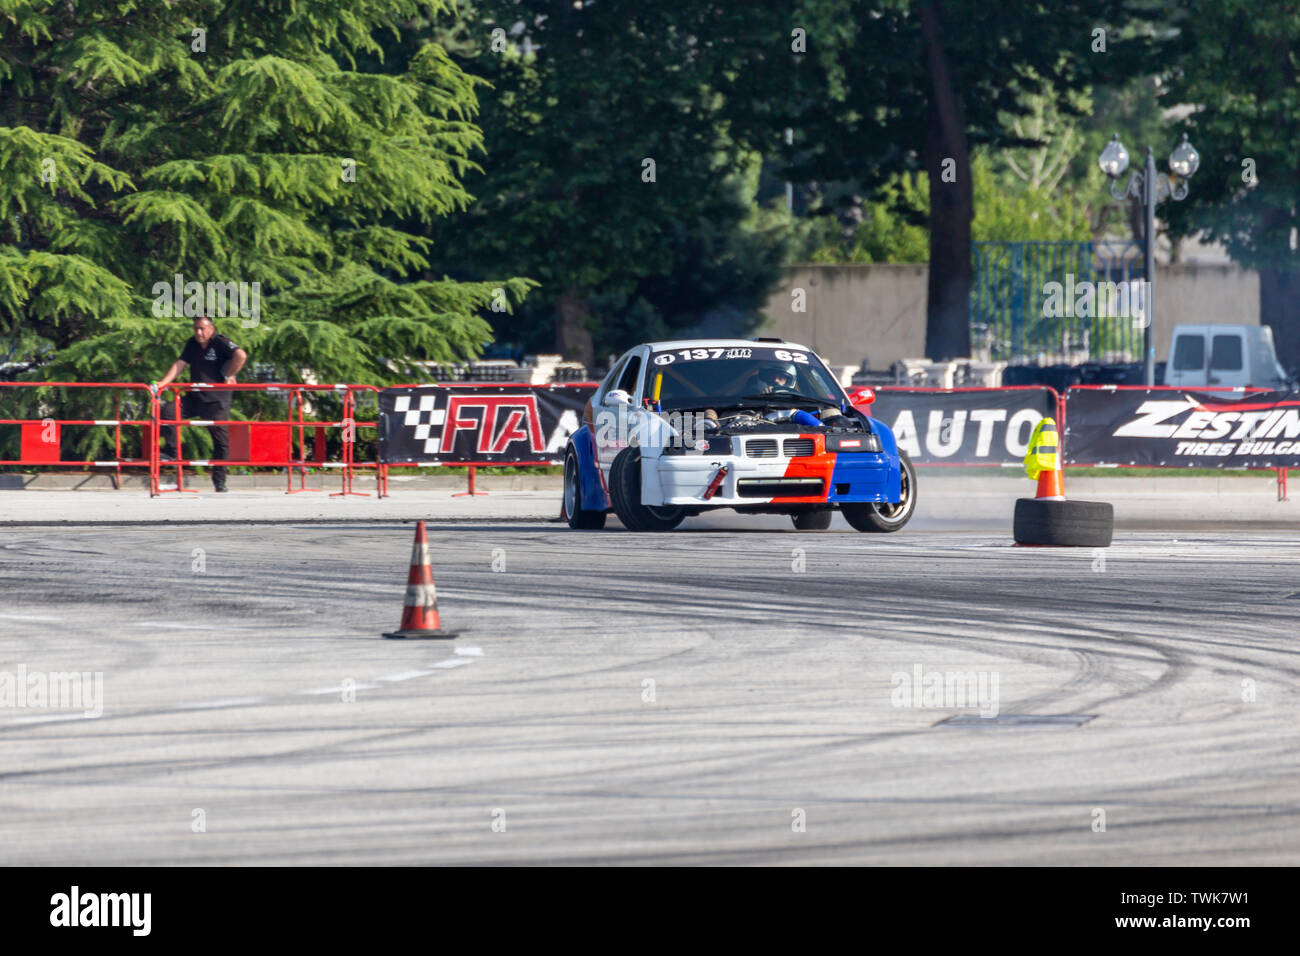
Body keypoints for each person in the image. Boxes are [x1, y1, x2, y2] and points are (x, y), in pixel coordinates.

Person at [154, 317, 247, 492]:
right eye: (196, 328)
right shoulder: (192, 343)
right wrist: (163, 383)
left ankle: (219, 480)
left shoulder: (220, 342)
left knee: (220, 441)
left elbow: (241, 355)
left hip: (216, 401)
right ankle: (172, 453)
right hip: (195, 397)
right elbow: (180, 364)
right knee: (168, 411)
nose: (198, 332)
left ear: (211, 328)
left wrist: (230, 375)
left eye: (202, 329)